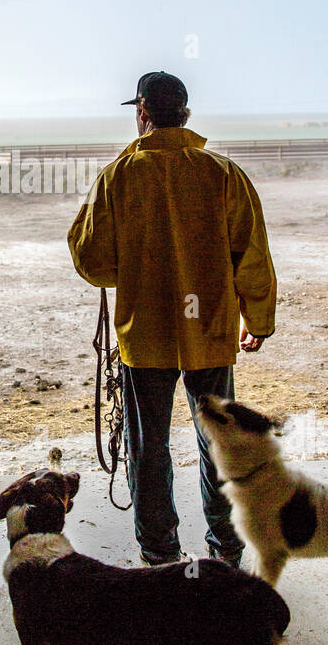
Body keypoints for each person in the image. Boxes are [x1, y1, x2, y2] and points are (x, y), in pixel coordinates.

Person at [68, 71, 276, 567]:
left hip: (148, 334)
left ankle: (160, 557)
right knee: (220, 442)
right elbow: (252, 254)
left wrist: (138, 268)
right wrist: (258, 319)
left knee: (148, 446)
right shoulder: (222, 172)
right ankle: (226, 553)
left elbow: (93, 259)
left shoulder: (119, 175)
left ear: (142, 113)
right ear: (185, 114)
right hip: (211, 330)